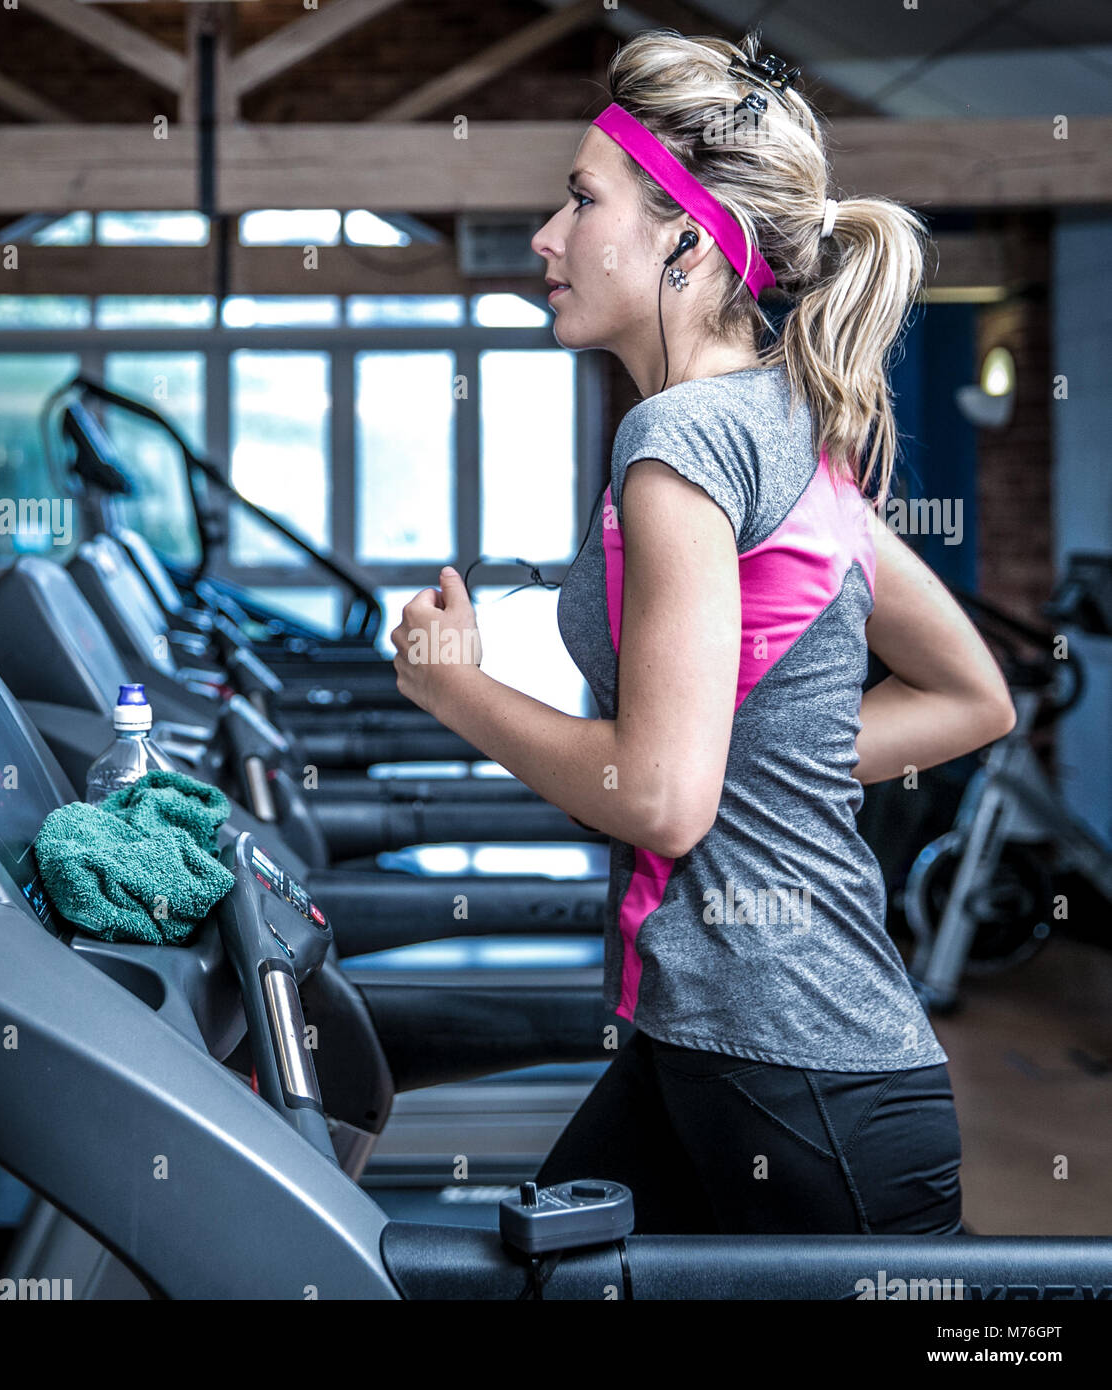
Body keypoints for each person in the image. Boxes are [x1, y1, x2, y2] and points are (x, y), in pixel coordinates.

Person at [389, 29, 1015, 1236]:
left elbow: (664, 800)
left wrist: (454, 690)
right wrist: (756, 764)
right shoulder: (793, 429)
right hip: (740, 1043)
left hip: (792, 1068)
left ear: (683, 235)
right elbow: (966, 696)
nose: (546, 237)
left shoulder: (676, 443)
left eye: (581, 200)